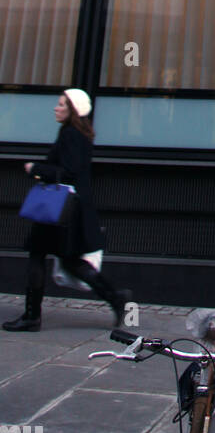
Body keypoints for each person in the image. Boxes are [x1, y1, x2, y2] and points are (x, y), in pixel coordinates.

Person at [2, 89, 130, 333]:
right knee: (69, 259)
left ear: (72, 110)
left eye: (62, 104)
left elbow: (69, 171)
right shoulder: (77, 133)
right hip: (69, 208)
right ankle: (116, 297)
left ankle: (32, 316)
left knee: (38, 255)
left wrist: (35, 168)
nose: (56, 108)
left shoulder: (71, 134)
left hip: (59, 207)